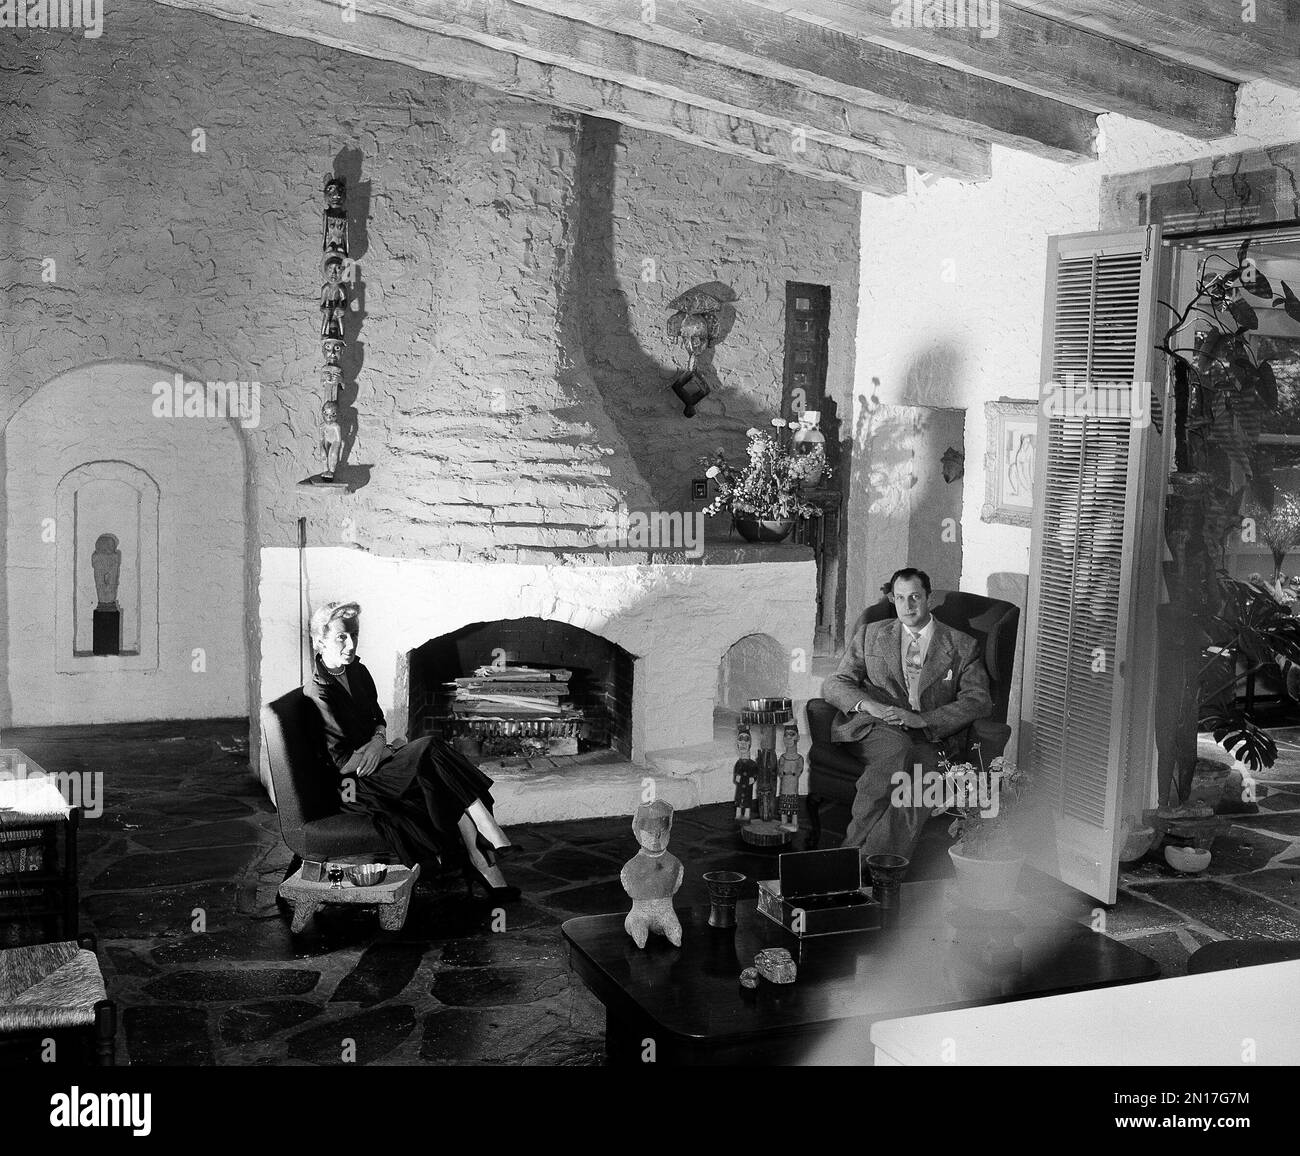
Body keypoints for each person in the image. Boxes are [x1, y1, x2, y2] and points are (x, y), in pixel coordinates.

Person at [303, 600, 519, 902]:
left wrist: (379, 743)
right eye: (341, 636)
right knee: (430, 747)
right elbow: (342, 764)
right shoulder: (319, 691)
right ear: (320, 640)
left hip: (377, 761)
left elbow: (378, 719)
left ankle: (482, 856)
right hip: (355, 783)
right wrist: (384, 752)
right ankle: (485, 840)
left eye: (353, 634)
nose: (350, 643)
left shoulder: (358, 672)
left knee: (440, 775)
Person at [820, 568, 992, 864]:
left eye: (914, 597)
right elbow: (836, 683)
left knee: (921, 785)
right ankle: (850, 858)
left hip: (930, 735)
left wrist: (925, 720)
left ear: (928, 598)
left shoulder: (961, 645)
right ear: (892, 599)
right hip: (878, 725)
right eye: (900, 598)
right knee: (897, 749)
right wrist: (869, 706)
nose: (907, 606)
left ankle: (874, 866)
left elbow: (978, 701)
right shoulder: (871, 634)